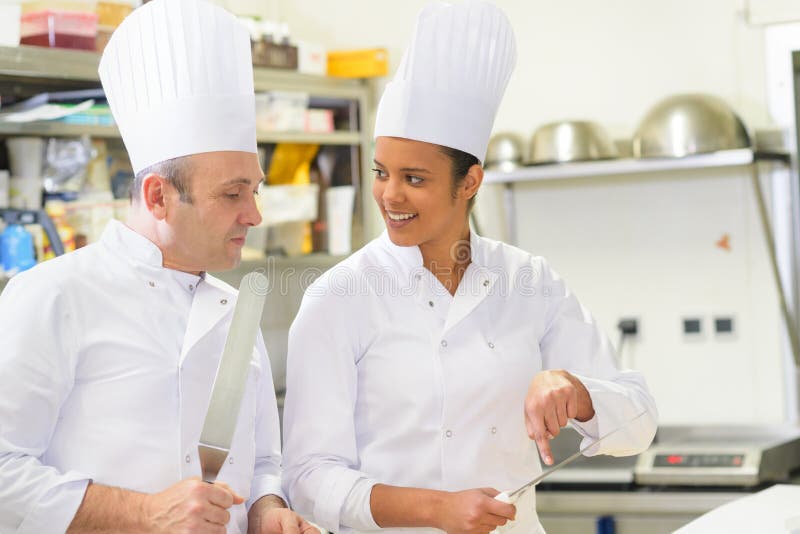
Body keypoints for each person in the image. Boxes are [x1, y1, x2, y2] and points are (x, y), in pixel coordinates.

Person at [281, 2, 658, 533]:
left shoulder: (528, 282)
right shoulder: (338, 297)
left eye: (414, 178)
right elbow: (309, 477)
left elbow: (640, 421)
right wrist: (437, 508)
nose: (389, 195)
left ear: (470, 182)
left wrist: (579, 392)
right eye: (381, 171)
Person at [0, 1, 312, 532]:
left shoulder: (238, 310)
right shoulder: (51, 296)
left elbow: (263, 463)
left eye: (254, 190)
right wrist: (143, 513)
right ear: (158, 195)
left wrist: (268, 510)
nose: (254, 214)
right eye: (233, 194)